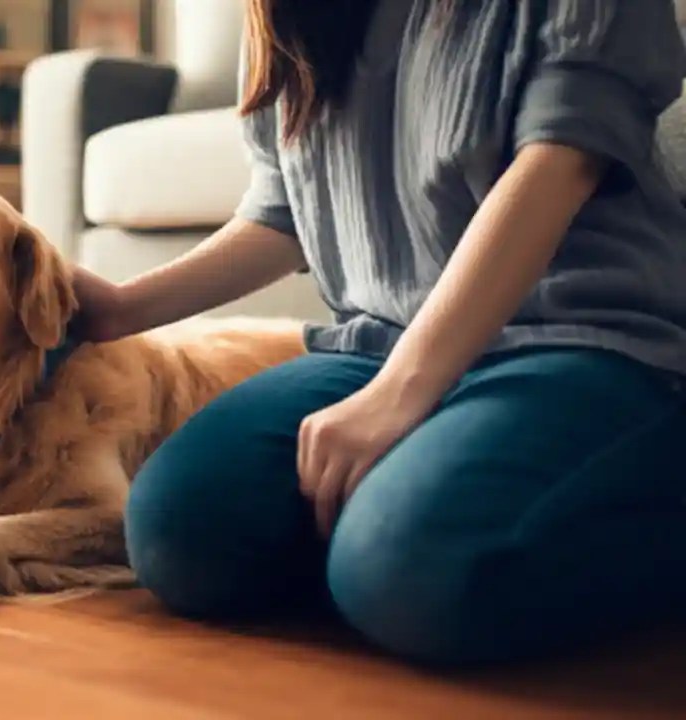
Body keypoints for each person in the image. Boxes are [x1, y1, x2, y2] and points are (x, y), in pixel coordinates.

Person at [72, 0, 686, 667]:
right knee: (178, 534)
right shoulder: (287, 14)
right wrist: (122, 309)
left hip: (584, 338)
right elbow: (284, 215)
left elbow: (558, 165)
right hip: (379, 341)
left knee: (406, 566)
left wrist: (399, 394)